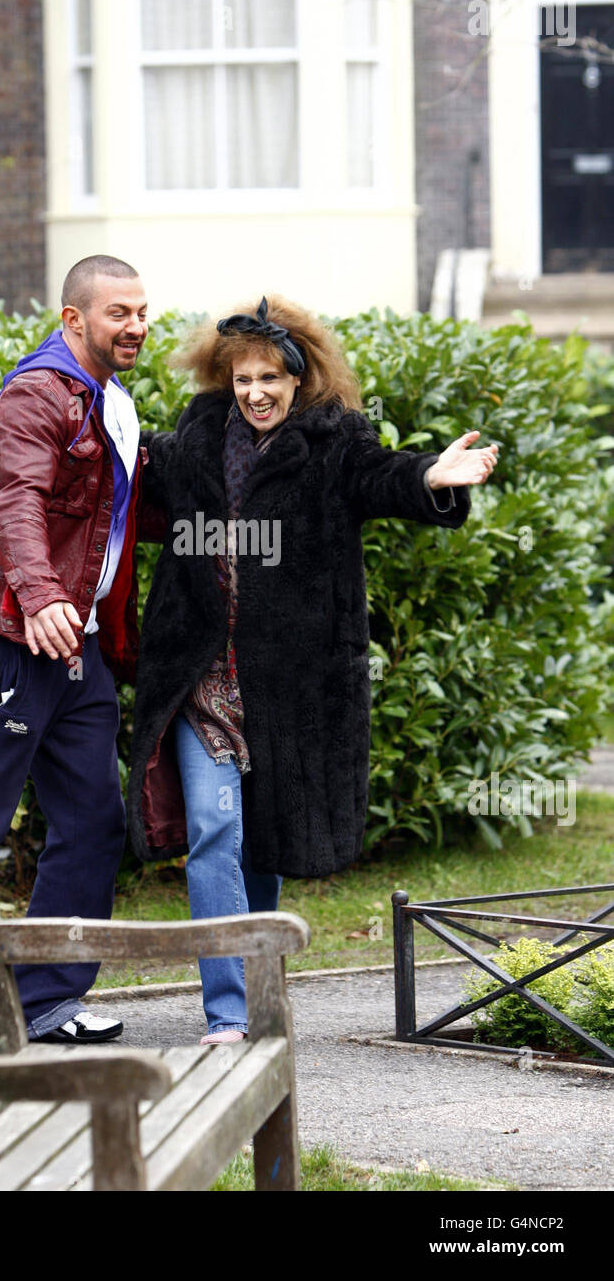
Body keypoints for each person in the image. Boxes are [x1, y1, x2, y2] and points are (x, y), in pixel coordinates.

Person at [127, 295, 498, 1044]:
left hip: (287, 686)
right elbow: (128, 476)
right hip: (200, 678)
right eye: (242, 379)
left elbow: (382, 476)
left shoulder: (334, 442)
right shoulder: (196, 436)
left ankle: (261, 991)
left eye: (270, 377)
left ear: (300, 378)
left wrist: (435, 475)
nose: (255, 392)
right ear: (223, 380)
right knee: (211, 830)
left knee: (260, 841)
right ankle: (228, 1010)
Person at [0, 254, 154, 1044]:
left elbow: (121, 513)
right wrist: (39, 596)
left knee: (95, 819)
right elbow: (14, 500)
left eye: (140, 311)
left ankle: (47, 1002)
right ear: (73, 319)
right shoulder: (38, 393)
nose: (134, 325)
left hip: (78, 650)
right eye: (116, 313)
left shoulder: (113, 403)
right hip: (11, 637)